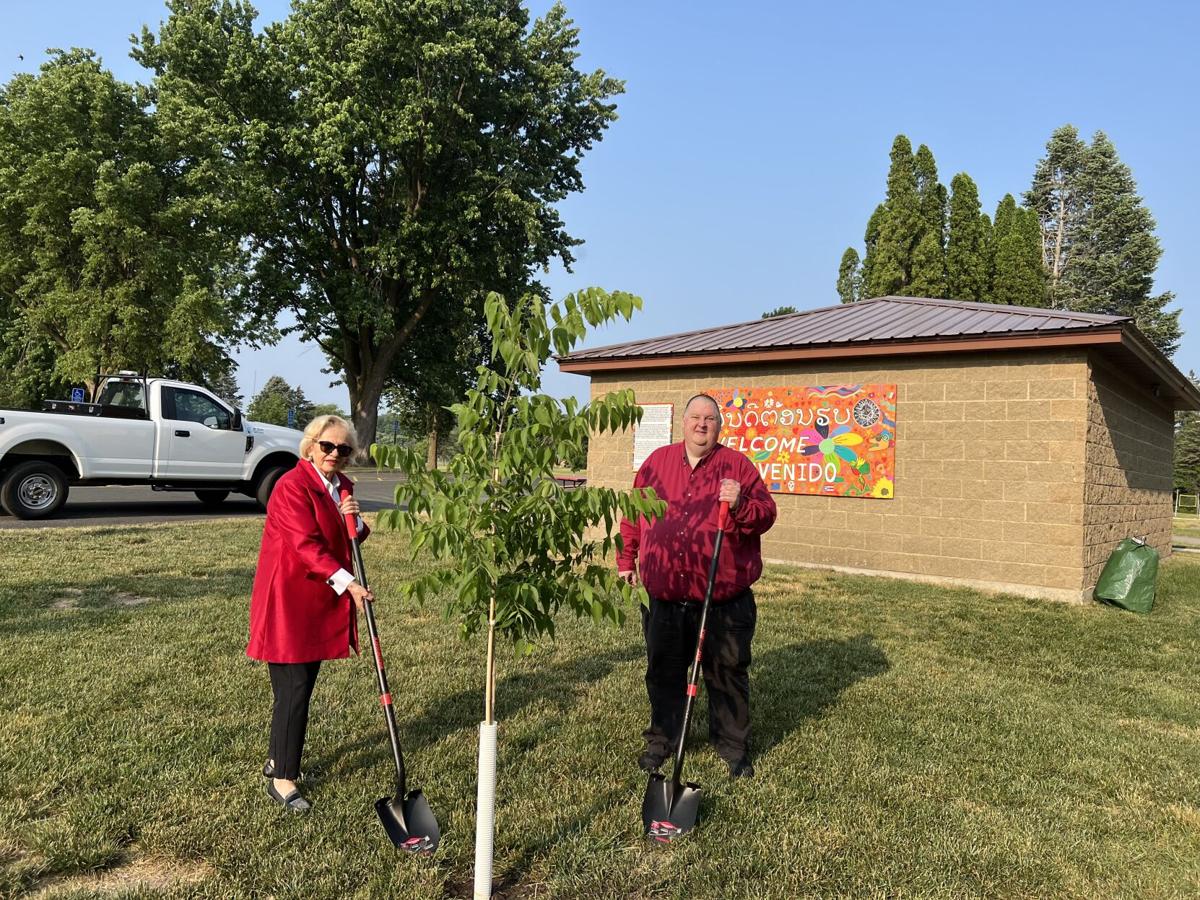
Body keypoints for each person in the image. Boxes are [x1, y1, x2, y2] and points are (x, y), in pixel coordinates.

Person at [618, 394, 777, 778]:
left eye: (710, 418)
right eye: (695, 417)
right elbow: (635, 514)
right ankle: (663, 740)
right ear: (683, 422)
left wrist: (740, 503)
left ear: (719, 425)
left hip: (723, 600)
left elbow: (766, 515)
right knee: (664, 671)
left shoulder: (737, 467)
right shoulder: (656, 464)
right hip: (666, 596)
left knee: (727, 672)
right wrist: (627, 558)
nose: (701, 424)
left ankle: (732, 746)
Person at [247, 415, 373, 813]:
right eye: (327, 446)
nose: (335, 454)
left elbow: (348, 534)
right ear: (310, 445)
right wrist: (349, 583)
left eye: (343, 449)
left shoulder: (340, 487)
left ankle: (277, 760)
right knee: (293, 690)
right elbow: (305, 545)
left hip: (318, 599)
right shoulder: (292, 486)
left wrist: (355, 519)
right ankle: (283, 779)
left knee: (299, 687)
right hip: (288, 601)